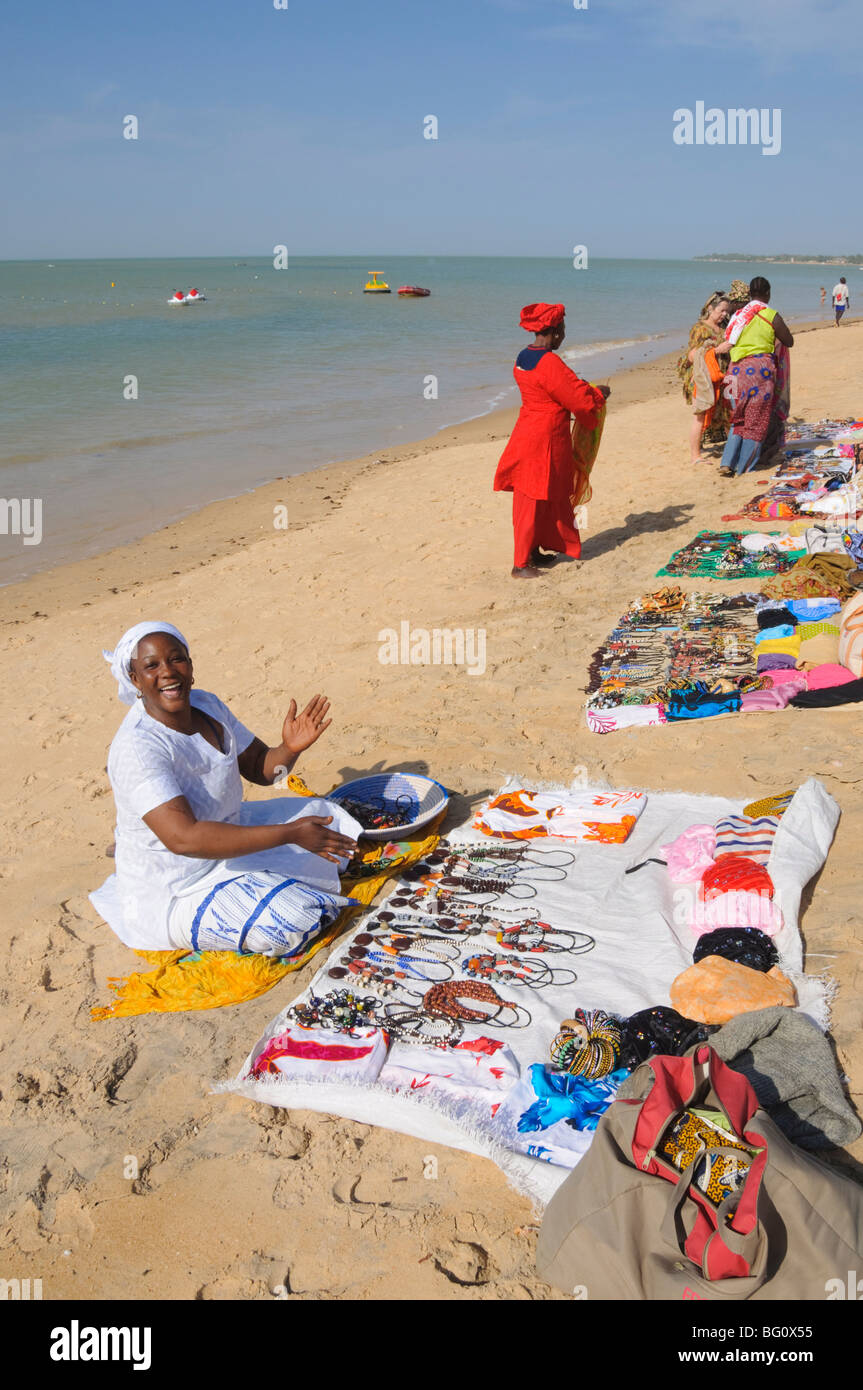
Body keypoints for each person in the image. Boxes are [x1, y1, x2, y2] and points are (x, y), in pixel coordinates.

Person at [90, 621, 361, 956]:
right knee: (293, 921)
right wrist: (289, 834)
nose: (168, 673)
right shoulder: (138, 747)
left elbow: (262, 769)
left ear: (191, 667)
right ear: (135, 679)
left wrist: (290, 748)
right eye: (152, 666)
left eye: (177, 659)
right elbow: (184, 839)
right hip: (178, 882)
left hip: (229, 830)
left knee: (334, 820)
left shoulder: (208, 705)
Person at [494, 302, 610, 578]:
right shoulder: (549, 362)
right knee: (534, 496)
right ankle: (520, 564)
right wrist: (599, 394)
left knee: (544, 493)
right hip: (546, 436)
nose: (565, 335)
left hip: (527, 430)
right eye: (563, 329)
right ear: (554, 331)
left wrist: (584, 389)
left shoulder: (522, 357)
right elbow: (576, 398)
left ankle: (533, 550)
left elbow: (561, 386)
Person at [715, 276, 794, 477]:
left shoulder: (738, 315)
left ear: (750, 294)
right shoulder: (770, 315)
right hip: (759, 374)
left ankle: (727, 462)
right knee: (755, 421)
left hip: (734, 373)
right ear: (768, 294)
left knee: (737, 418)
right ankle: (744, 467)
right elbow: (788, 340)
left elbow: (728, 340)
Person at [677, 291, 732, 463]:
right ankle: (695, 456)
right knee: (700, 416)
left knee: (727, 413)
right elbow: (693, 355)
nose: (724, 314)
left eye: (726, 311)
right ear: (710, 308)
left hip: (721, 376)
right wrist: (717, 350)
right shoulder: (700, 329)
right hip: (704, 378)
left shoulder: (724, 327)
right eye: (721, 310)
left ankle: (730, 449)